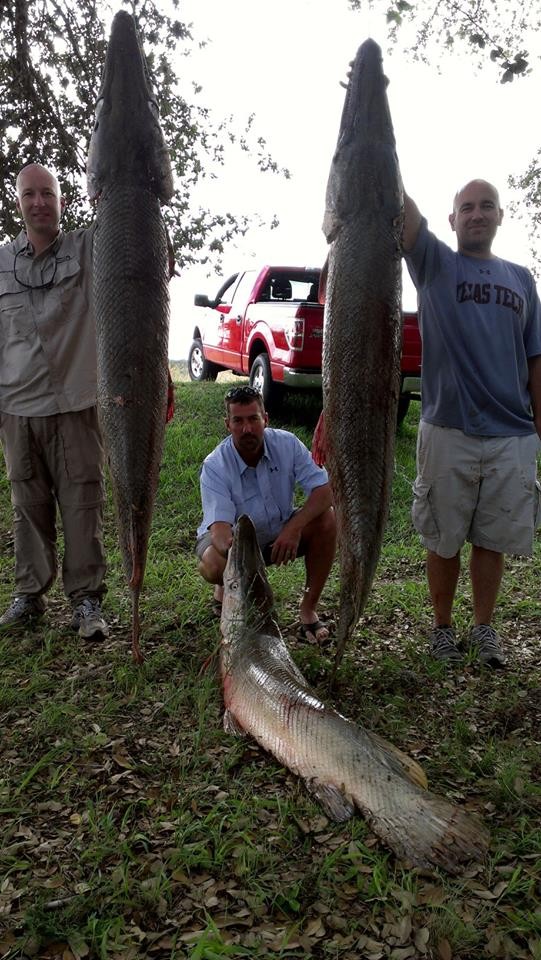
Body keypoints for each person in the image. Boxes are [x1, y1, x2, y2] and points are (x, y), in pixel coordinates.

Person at [402, 179, 541, 667]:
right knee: (443, 538)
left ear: (500, 215)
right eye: (466, 207)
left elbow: (535, 357)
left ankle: (484, 629)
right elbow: (402, 210)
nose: (477, 214)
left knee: (491, 538)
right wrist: (376, 131)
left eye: (486, 206)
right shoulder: (434, 262)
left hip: (512, 432)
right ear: (452, 219)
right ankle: (442, 628)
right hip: (448, 428)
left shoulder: (522, 279)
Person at [0, 162, 109, 639]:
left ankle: (86, 600)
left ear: (63, 200)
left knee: (83, 503)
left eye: (48, 193)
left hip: (75, 403)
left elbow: (128, 229)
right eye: (30, 194)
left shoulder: (88, 248)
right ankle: (29, 596)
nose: (39, 202)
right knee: (28, 506)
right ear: (18, 202)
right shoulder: (2, 262)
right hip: (17, 407)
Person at [196, 385, 337, 642]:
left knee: (327, 519)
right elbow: (220, 531)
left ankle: (308, 610)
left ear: (266, 419)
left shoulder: (287, 443)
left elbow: (325, 489)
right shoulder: (215, 465)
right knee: (214, 564)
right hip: (236, 543)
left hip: (280, 530)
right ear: (227, 424)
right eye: (238, 421)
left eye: (253, 419)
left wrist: (294, 528)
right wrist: (243, 559)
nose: (247, 429)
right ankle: (224, 587)